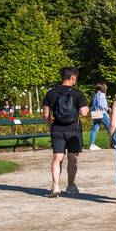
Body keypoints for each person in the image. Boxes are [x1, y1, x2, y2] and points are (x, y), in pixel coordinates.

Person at [41, 66, 90, 198]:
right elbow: (84, 113)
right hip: (74, 130)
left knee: (57, 158)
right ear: (72, 77)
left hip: (57, 129)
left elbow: (46, 115)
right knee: (72, 158)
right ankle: (71, 185)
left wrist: (50, 125)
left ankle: (55, 185)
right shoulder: (77, 93)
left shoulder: (50, 93)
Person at [87, 83, 110, 150]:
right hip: (102, 113)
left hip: (95, 113)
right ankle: (114, 143)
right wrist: (108, 108)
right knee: (110, 128)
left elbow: (93, 105)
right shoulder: (102, 94)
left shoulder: (95, 95)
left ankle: (92, 144)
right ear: (103, 88)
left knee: (95, 129)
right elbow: (102, 105)